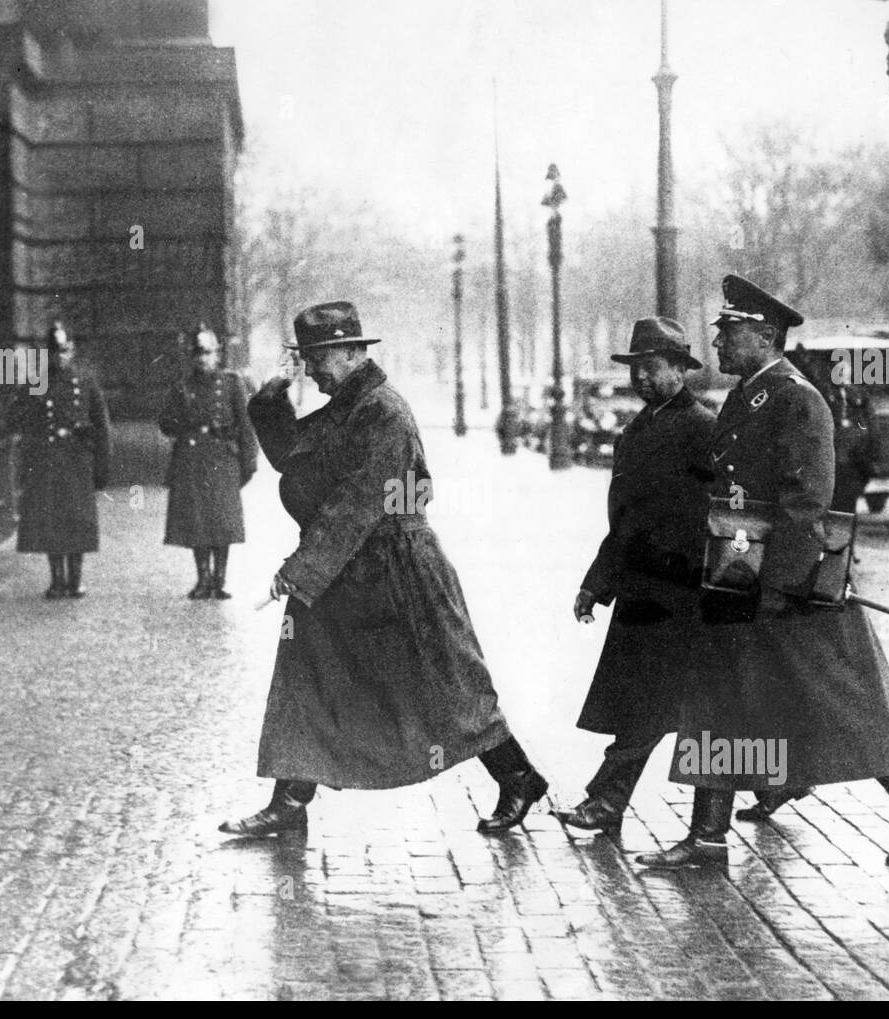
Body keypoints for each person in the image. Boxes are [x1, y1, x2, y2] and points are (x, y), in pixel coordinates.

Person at [636, 276, 889, 870]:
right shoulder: (747, 394)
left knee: (840, 705)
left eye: (729, 333)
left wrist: (777, 588)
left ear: (765, 336)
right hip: (740, 572)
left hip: (784, 585)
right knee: (720, 696)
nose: (719, 342)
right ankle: (707, 836)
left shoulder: (797, 398)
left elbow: (806, 501)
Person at [217, 301, 548, 836]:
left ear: (351, 352)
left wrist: (301, 570)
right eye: (306, 359)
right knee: (306, 678)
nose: (313, 370)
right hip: (346, 567)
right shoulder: (346, 407)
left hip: (400, 570)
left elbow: (360, 502)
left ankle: (519, 778)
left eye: (320, 358)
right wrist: (270, 397)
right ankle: (289, 800)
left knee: (449, 686)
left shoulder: (382, 411)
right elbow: (294, 459)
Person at [554, 318, 714, 837]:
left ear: (680, 371)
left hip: (682, 591)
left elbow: (713, 515)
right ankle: (777, 786)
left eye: (654, 368)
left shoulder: (702, 429)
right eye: (636, 369)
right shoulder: (638, 430)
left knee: (651, 702)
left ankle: (606, 798)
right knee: (651, 701)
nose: (642, 378)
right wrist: (596, 584)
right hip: (643, 589)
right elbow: (623, 522)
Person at [7, 321, 110, 599]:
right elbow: (17, 418)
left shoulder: (86, 382)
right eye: (53, 351)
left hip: (77, 461)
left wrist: (101, 467)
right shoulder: (36, 382)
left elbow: (102, 427)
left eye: (64, 350)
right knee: (52, 520)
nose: (59, 356)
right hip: (47, 461)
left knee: (77, 521)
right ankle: (57, 580)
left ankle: (75, 580)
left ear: (72, 350)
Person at [159, 323, 258, 599]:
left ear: (218, 354)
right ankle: (203, 579)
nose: (202, 358)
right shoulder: (182, 387)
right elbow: (165, 423)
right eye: (197, 353)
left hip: (222, 460)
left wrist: (248, 464)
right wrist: (181, 420)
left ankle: (220, 580)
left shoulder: (232, 383)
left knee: (221, 524)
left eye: (207, 352)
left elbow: (246, 426)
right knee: (198, 523)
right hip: (192, 461)